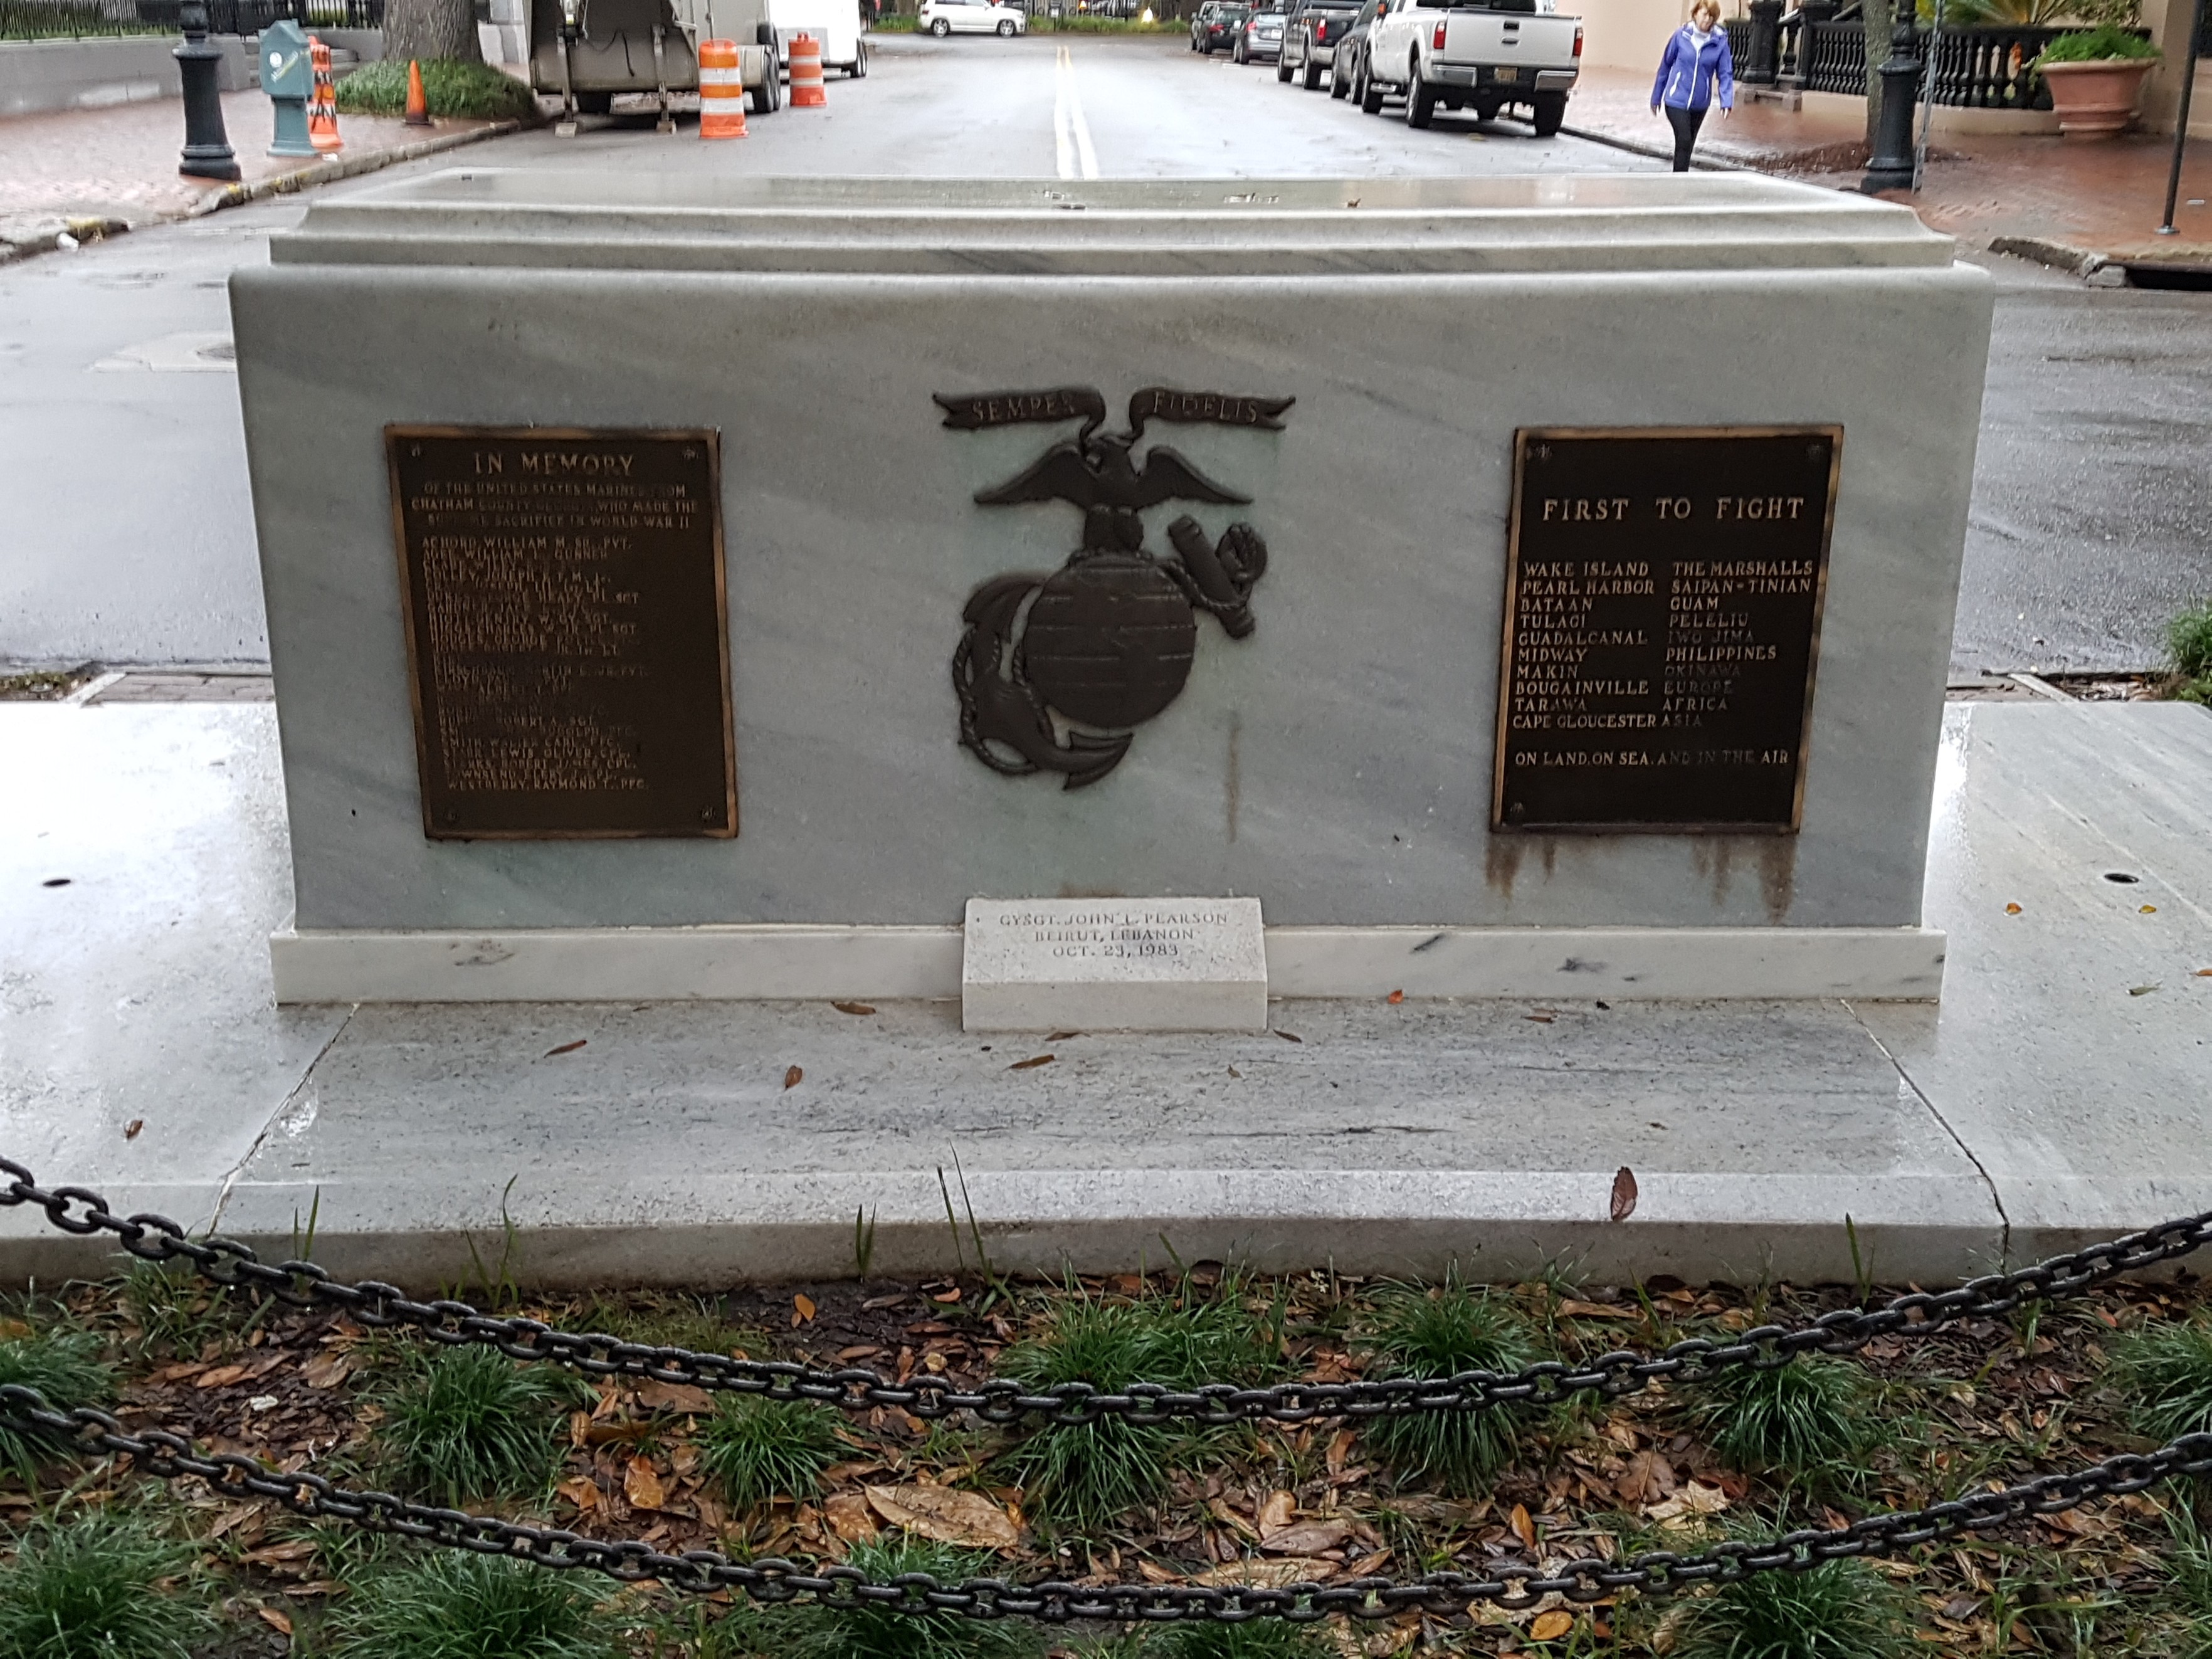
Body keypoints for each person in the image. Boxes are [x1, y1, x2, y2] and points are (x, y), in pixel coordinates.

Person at [1650, 0, 1733, 173]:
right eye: (1705, 14)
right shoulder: (1681, 36)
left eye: (1712, 16)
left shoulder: (1720, 43)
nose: (1708, 20)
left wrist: (1726, 100)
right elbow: (1666, 65)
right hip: (1676, 100)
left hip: (1700, 103)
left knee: (1688, 146)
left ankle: (1680, 178)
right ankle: (1678, 183)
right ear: (1695, 14)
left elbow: (1725, 74)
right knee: (1684, 140)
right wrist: (1657, 96)